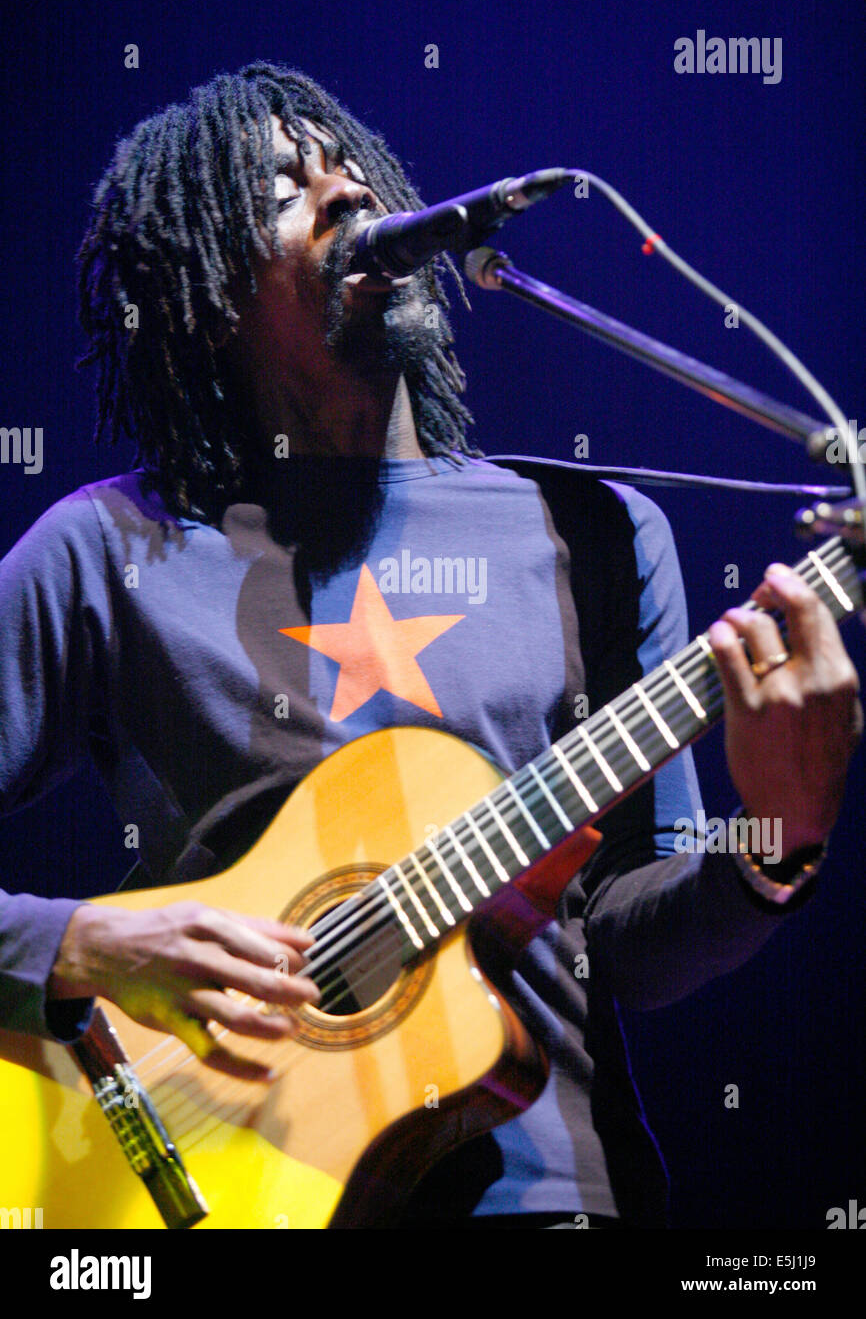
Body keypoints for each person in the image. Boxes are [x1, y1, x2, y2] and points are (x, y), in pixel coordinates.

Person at [0, 62, 860, 1227]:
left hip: (558, 1202)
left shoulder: (597, 533)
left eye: (347, 162)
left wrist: (779, 845)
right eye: (278, 185)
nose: (342, 189)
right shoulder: (108, 551)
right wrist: (82, 941)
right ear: (201, 293)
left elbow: (630, 949)